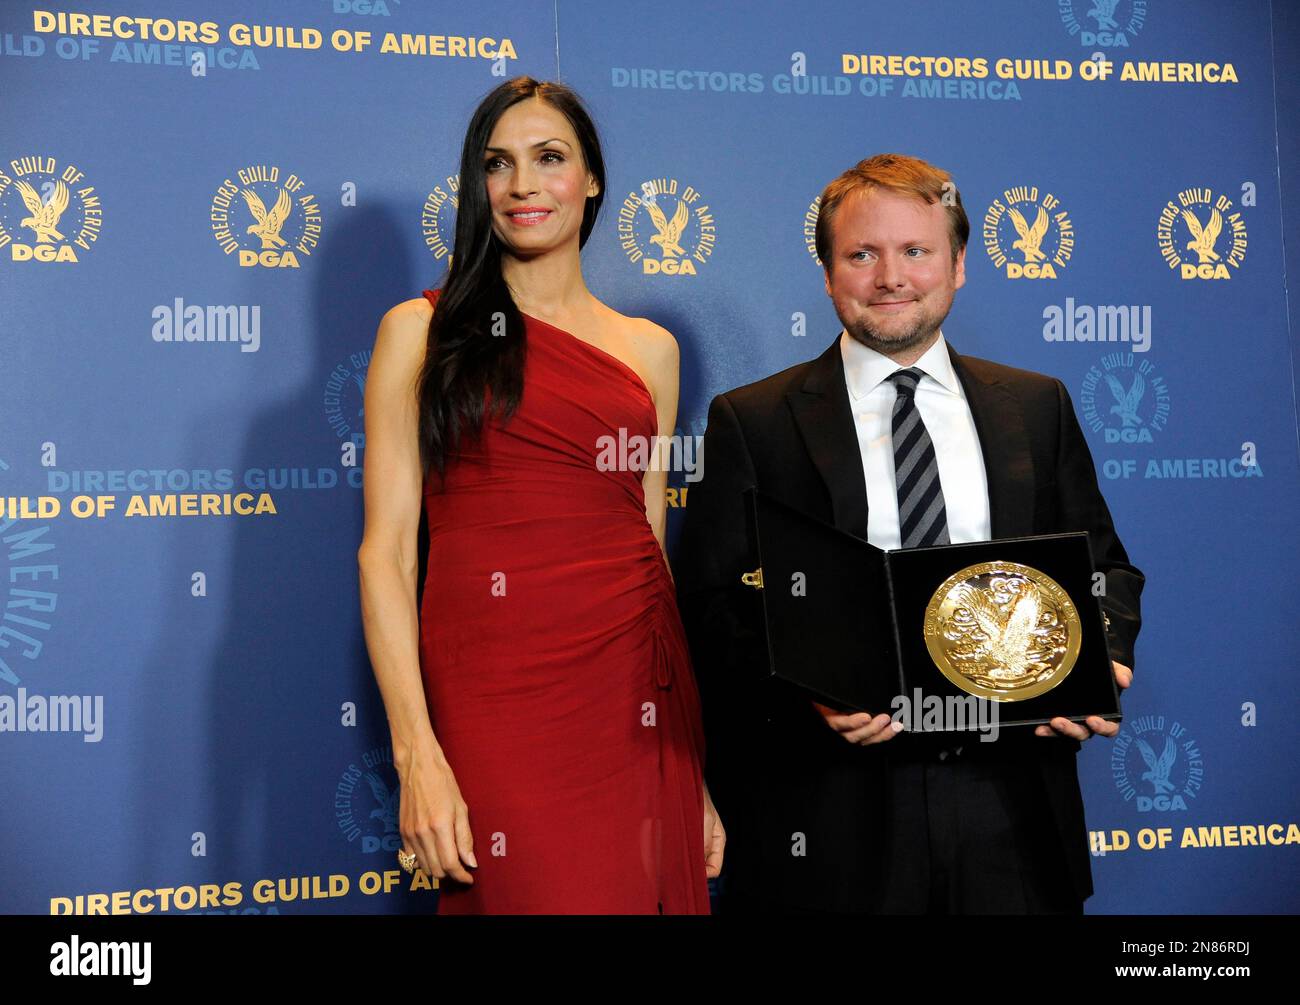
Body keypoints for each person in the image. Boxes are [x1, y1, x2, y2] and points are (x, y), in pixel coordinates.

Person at [675, 153, 1143, 914]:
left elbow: (1103, 568)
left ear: (958, 265)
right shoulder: (753, 421)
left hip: (1013, 801)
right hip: (833, 810)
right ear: (828, 274)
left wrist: (1098, 659)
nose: (890, 277)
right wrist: (806, 691)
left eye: (916, 251)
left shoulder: (1037, 406)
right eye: (862, 254)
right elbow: (711, 605)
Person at [357, 76, 723, 914]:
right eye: (498, 163)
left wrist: (687, 767)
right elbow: (386, 553)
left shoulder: (652, 351)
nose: (522, 184)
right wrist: (417, 755)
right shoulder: (420, 332)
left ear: (591, 179)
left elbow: (650, 545)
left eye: (549, 158)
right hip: (495, 694)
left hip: (633, 698)